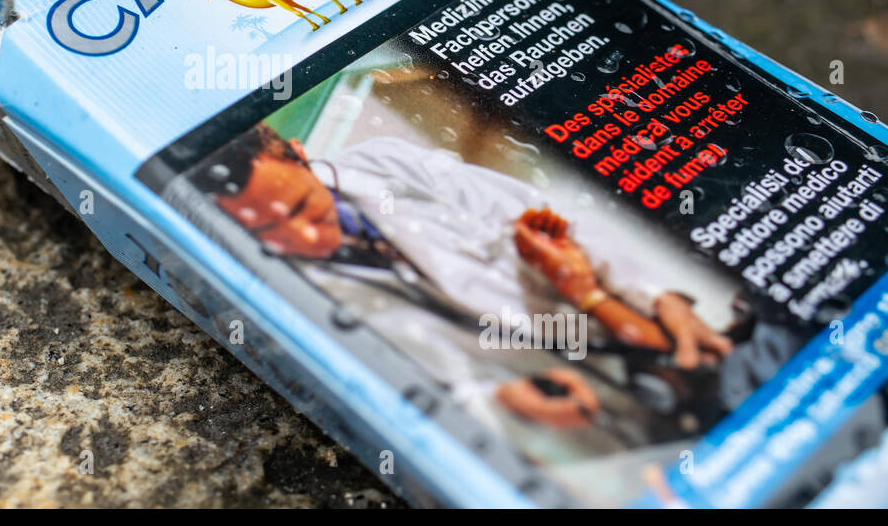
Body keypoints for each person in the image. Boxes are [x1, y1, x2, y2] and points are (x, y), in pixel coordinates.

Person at [188, 124, 732, 437]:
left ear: (303, 157)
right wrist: (497, 397)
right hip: (571, 403)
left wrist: (661, 296)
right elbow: (396, 374)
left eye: (304, 208)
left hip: (608, 326)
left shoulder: (384, 165)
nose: (305, 241)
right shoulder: (271, 286)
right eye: (267, 229)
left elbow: (544, 215)